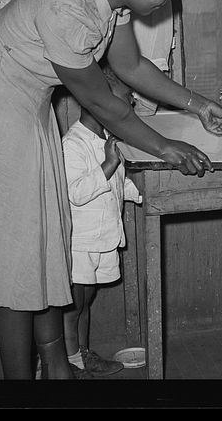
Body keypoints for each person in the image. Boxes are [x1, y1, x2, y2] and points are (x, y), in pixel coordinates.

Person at [0, 0, 222, 380]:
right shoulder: (67, 7)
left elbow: (128, 65)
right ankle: (19, 380)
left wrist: (196, 103)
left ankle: (57, 364)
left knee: (45, 234)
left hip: (27, 106)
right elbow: (102, 103)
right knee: (12, 250)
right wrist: (166, 146)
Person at [60, 63, 142, 378]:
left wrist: (138, 194)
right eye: (126, 95)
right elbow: (77, 193)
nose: (132, 101)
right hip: (80, 240)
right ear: (101, 99)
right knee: (73, 305)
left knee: (86, 300)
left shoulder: (109, 139)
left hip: (102, 237)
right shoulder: (73, 145)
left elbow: (117, 184)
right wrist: (109, 163)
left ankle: (81, 356)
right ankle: (66, 362)